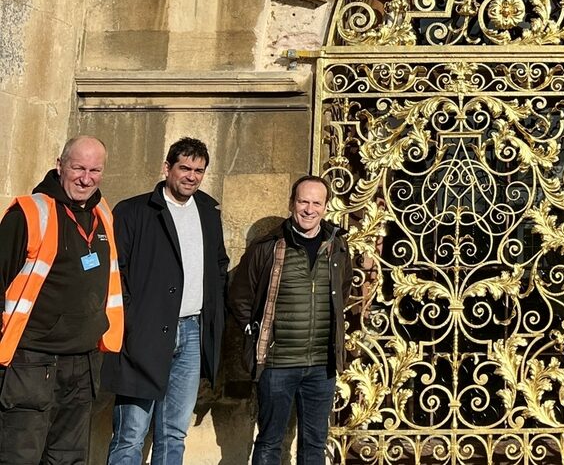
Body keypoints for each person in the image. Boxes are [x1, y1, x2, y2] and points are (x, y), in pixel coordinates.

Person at [103, 137, 229, 464]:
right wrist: (133, 319)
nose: (191, 176)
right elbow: (116, 272)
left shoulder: (207, 210)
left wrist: (213, 311)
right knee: (131, 433)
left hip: (191, 332)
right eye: (184, 168)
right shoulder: (133, 211)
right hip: (143, 335)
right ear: (167, 168)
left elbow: (218, 264)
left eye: (198, 171)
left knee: (174, 431)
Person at [0, 135, 124, 463]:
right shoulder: (29, 212)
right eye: (78, 167)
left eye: (95, 170)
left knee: (69, 459)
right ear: (60, 165)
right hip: (32, 361)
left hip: (83, 362)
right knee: (19, 456)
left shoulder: (103, 214)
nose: (86, 178)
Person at [229, 175, 352, 465]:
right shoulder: (267, 247)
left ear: (325, 207)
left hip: (322, 366)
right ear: (292, 203)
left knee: (314, 443)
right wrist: (256, 329)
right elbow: (239, 295)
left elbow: (342, 293)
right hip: (277, 364)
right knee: (270, 440)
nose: (309, 209)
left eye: (316, 203)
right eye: (303, 201)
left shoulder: (338, 249)